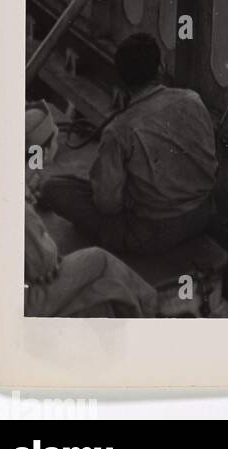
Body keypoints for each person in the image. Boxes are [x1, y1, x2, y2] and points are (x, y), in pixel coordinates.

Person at [41, 33, 218, 257]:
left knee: (54, 188)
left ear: (122, 78)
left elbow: (107, 206)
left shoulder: (118, 130)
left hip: (152, 234)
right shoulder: (193, 100)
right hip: (202, 215)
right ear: (161, 67)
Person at [24, 103, 159, 318]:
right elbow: (46, 268)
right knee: (99, 260)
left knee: (103, 287)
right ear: (45, 151)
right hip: (28, 300)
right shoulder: (20, 209)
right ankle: (153, 308)